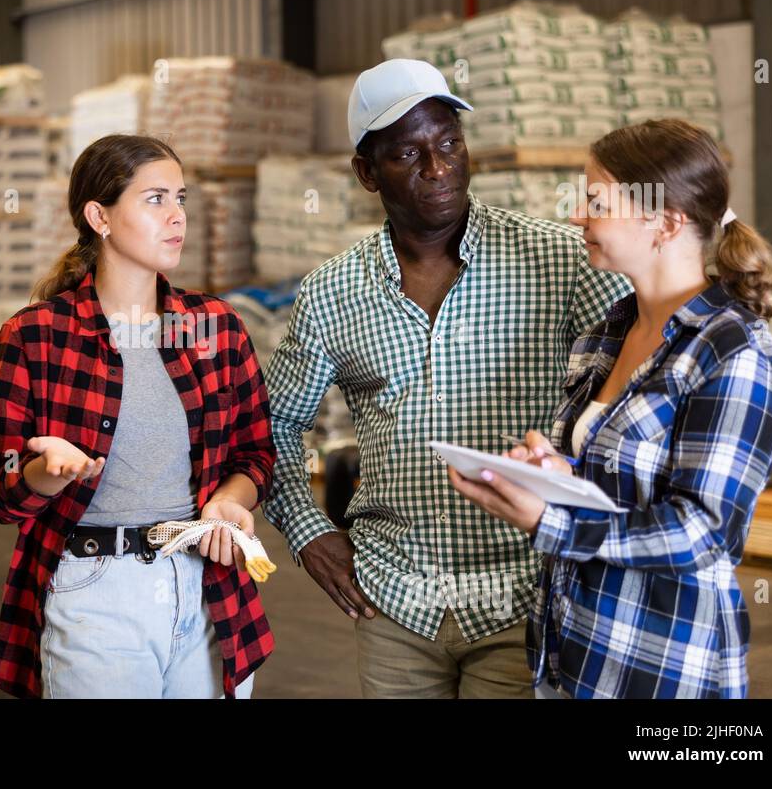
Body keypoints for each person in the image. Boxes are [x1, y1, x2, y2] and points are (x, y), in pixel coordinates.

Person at [263, 58, 630, 698]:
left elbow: (633, 378)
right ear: (366, 173)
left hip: (525, 593)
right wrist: (310, 532)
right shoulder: (332, 293)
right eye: (408, 154)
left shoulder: (561, 260)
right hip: (395, 602)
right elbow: (275, 424)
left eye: (449, 144)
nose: (438, 169)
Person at [448, 118, 772, 698]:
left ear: (663, 222)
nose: (577, 216)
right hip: (579, 654)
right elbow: (618, 484)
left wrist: (548, 519)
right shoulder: (608, 336)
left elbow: (702, 531)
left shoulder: (735, 354)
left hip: (662, 669)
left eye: (595, 202)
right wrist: (558, 476)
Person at [0, 133, 276, 699]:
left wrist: (228, 501)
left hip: (207, 589)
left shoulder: (215, 327)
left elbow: (256, 452)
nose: (177, 218)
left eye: (181, 199)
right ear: (100, 216)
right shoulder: (35, 336)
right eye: (155, 199)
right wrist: (49, 472)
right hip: (96, 594)